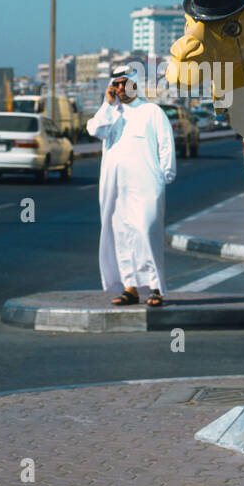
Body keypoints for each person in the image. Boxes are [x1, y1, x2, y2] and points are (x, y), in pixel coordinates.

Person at [87, 64, 176, 307]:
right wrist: (108, 104)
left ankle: (156, 288)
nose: (120, 88)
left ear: (135, 84)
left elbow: (166, 144)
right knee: (122, 234)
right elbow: (94, 129)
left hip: (147, 184)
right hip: (115, 186)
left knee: (146, 231)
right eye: (115, 84)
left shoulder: (152, 111)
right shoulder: (111, 114)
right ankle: (130, 288)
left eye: (124, 83)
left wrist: (165, 174)